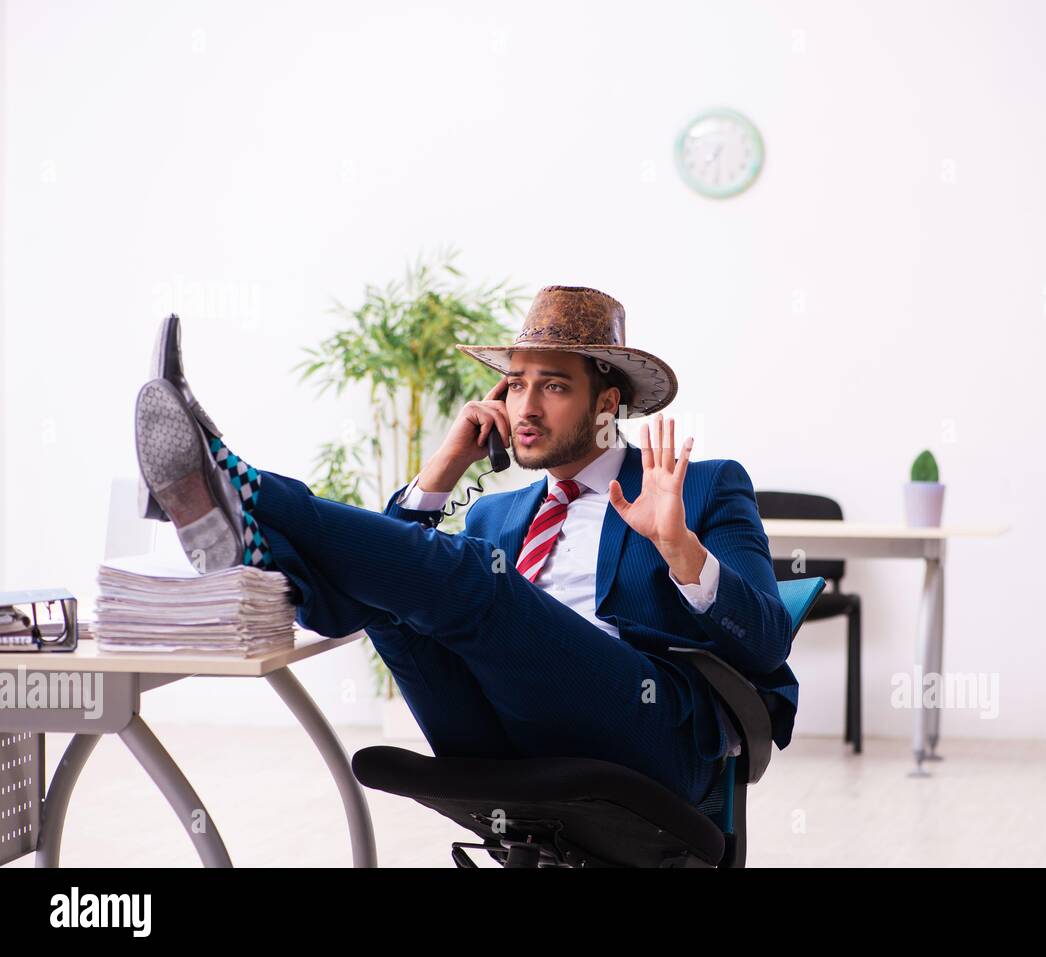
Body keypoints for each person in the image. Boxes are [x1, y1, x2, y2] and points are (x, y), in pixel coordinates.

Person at [133, 285, 797, 805]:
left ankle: (237, 488)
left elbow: (765, 638)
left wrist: (679, 546)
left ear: (607, 404)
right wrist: (440, 473)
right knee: (395, 600)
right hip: (496, 731)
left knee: (479, 578)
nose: (526, 405)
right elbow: (391, 570)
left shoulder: (702, 486)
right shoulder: (496, 514)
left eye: (555, 385)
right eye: (516, 382)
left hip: (648, 733)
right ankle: (247, 544)